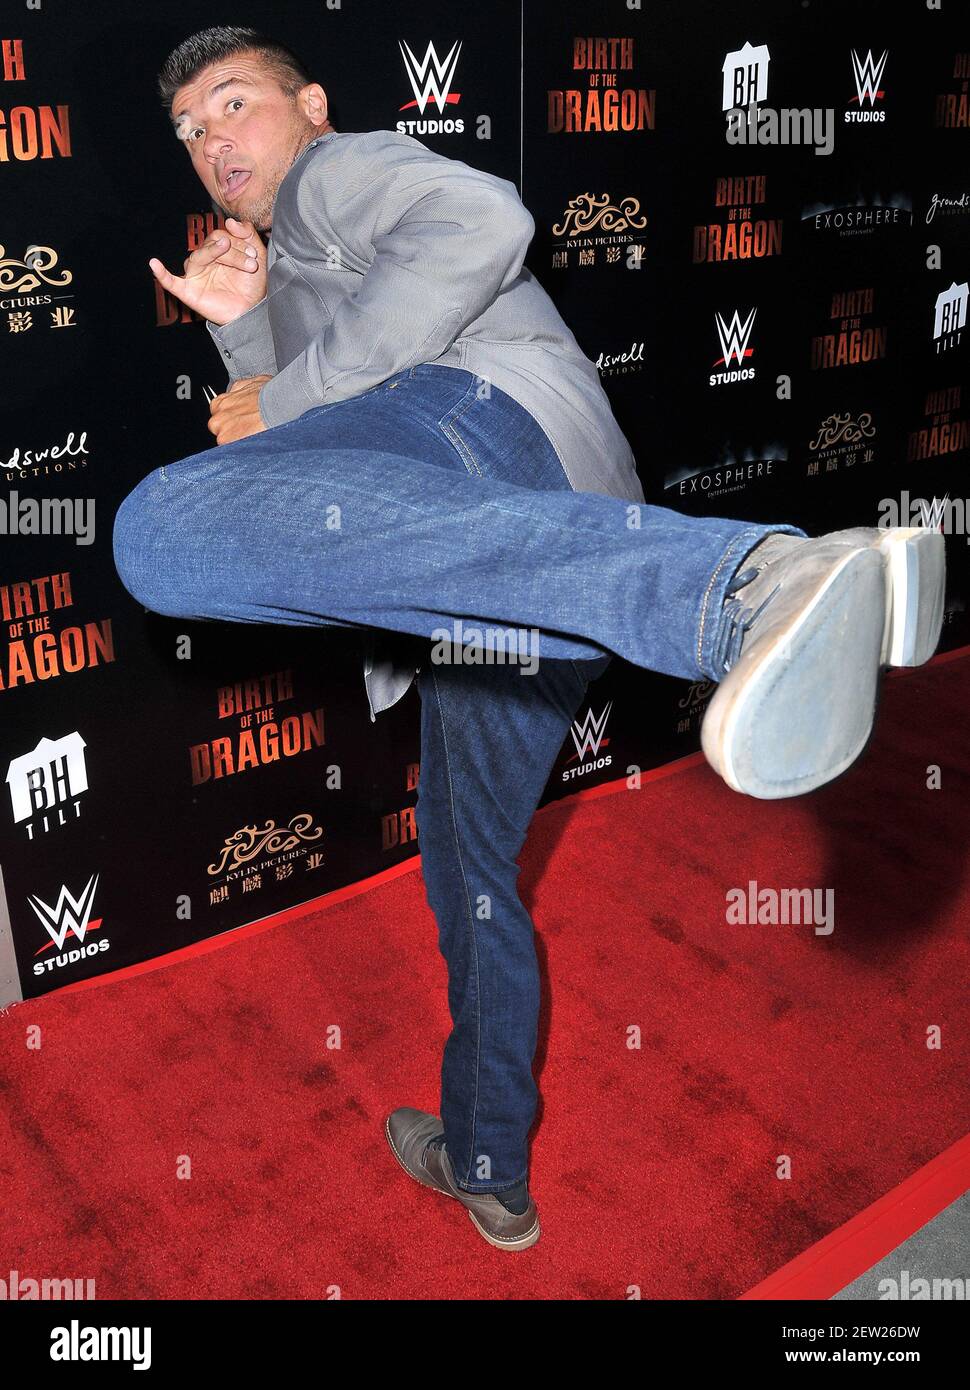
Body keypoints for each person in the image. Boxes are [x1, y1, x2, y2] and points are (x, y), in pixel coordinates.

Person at [112, 26, 945, 1252]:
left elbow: (483, 224)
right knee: (471, 882)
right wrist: (249, 328)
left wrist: (280, 385)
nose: (211, 140)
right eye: (189, 131)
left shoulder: (333, 174)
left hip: (485, 434)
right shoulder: (294, 255)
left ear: (312, 104)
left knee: (156, 531)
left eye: (233, 104)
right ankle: (488, 1155)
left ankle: (745, 581)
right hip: (523, 580)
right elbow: (304, 448)